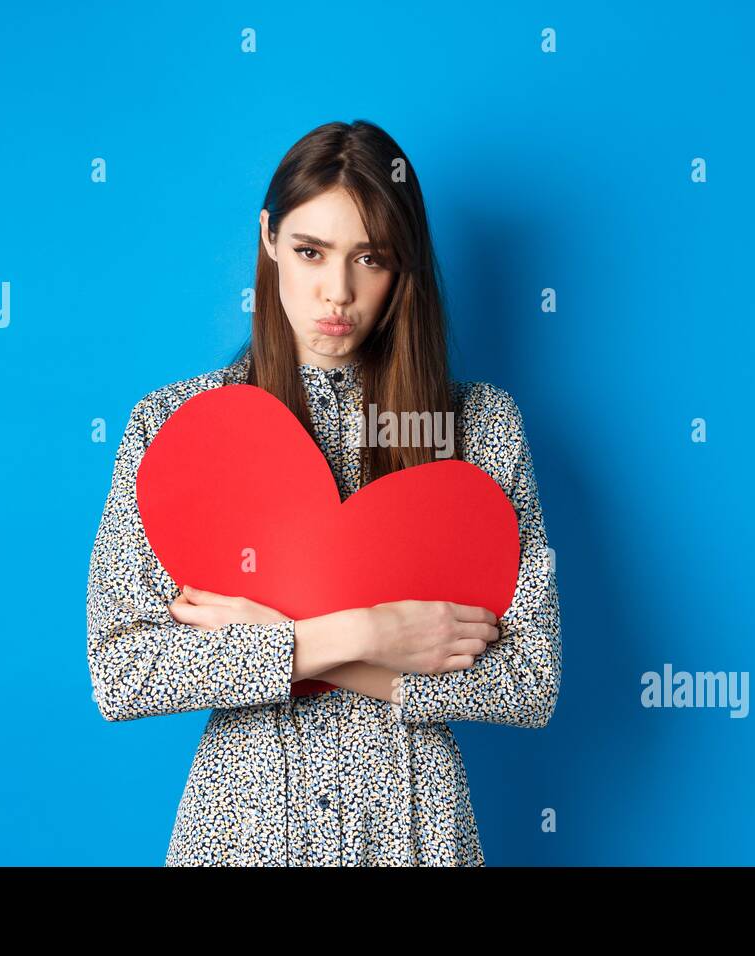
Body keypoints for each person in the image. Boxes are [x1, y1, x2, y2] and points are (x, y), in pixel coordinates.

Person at [86, 119, 561, 866]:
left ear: (403, 267)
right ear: (269, 238)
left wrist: (274, 639)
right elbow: (123, 671)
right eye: (311, 252)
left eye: (370, 259)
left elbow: (530, 682)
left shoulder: (478, 428)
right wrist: (369, 636)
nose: (336, 293)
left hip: (416, 830)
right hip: (242, 831)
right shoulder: (173, 427)